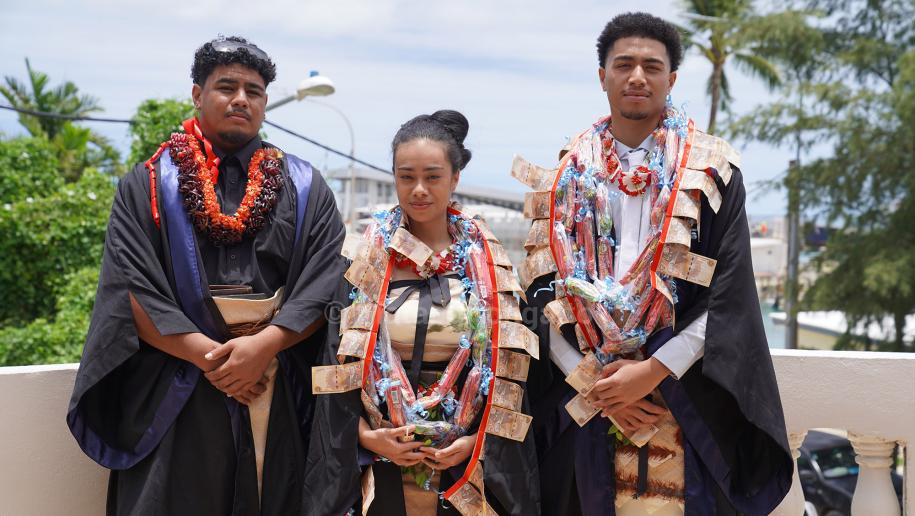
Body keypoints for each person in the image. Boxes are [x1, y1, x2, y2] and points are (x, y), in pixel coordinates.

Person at [514, 12, 794, 515]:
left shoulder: (712, 173)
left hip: (686, 400)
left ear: (672, 79)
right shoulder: (563, 176)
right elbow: (541, 294)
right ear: (603, 77)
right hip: (587, 402)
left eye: (651, 65)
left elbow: (732, 295)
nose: (637, 76)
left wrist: (652, 371)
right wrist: (594, 381)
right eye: (623, 65)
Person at [66, 36, 345, 515]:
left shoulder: (305, 185)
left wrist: (262, 347)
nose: (242, 99)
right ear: (197, 94)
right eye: (227, 86)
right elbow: (132, 284)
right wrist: (216, 362)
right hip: (179, 385)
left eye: (254, 91)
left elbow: (327, 279)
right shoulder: (149, 183)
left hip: (275, 381)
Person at [303, 110, 540, 516]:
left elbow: (512, 371)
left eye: (432, 176)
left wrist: (477, 442)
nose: (418, 190)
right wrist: (366, 436)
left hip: (463, 454)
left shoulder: (490, 264)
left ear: (455, 179)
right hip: (382, 450)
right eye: (405, 176)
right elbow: (334, 366)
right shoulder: (363, 261)